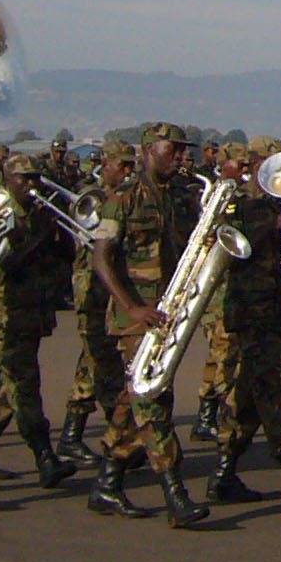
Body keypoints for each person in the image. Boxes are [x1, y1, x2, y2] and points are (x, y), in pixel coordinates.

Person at [86, 121, 210, 528]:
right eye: (171, 149)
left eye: (181, 150)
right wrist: (132, 307)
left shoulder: (178, 196)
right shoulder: (122, 198)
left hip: (166, 311)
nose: (179, 156)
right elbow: (101, 258)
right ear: (147, 150)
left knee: (132, 401)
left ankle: (107, 481)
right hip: (135, 317)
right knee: (153, 402)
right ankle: (175, 494)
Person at [0, 154, 79, 488]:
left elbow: (66, 256)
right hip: (8, 313)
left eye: (35, 178)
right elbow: (5, 264)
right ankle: (44, 456)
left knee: (6, 386)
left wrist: (59, 230)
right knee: (24, 385)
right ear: (7, 180)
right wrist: (41, 236)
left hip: (35, 310)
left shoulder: (40, 214)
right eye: (23, 179)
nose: (31, 185)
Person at [209, 137, 281, 512]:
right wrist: (276, 220)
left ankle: (223, 472)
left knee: (248, 392)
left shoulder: (278, 202)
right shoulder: (242, 202)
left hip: (273, 308)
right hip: (250, 310)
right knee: (272, 388)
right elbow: (235, 245)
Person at [56, 137, 132, 466]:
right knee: (96, 361)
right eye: (122, 165)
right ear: (106, 165)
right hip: (91, 290)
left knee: (96, 364)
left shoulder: (128, 197)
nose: (128, 171)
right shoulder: (91, 195)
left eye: (132, 165)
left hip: (112, 291)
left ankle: (78, 437)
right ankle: (91, 437)